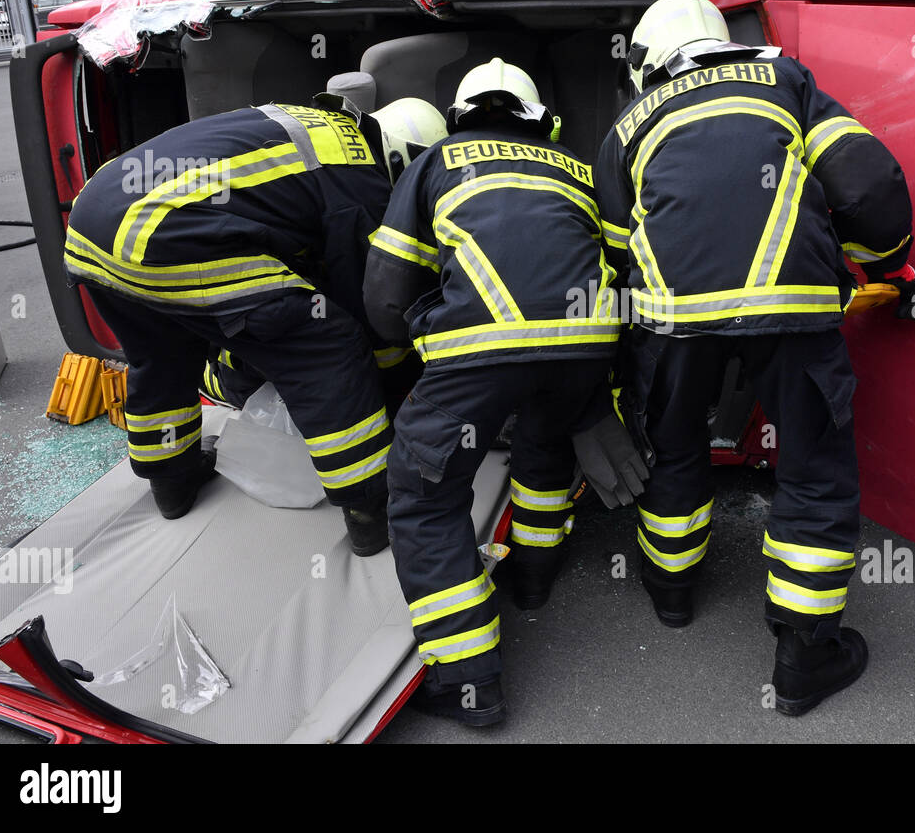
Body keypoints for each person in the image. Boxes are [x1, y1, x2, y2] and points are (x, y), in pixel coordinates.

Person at [593, 0, 915, 717]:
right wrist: (888, 260)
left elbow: (617, 250)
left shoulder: (629, 122)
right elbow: (869, 182)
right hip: (794, 312)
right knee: (812, 471)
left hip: (673, 321)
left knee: (675, 449)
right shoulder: (788, 83)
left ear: (650, 62)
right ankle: (805, 656)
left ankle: (672, 595)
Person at [364, 58, 647, 726]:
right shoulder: (574, 167)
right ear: (536, 118)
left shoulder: (435, 162)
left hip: (477, 355)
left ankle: (470, 684)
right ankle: (533, 581)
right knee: (544, 450)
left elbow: (386, 291)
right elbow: (619, 258)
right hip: (586, 344)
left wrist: (412, 345)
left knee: (426, 497)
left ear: (460, 116)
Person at [63, 93, 447, 556]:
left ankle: (171, 482)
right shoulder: (363, 183)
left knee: (163, 353)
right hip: (160, 233)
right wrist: (398, 371)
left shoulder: (319, 126)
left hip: (91, 226)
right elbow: (364, 302)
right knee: (329, 344)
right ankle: (369, 509)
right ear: (403, 159)